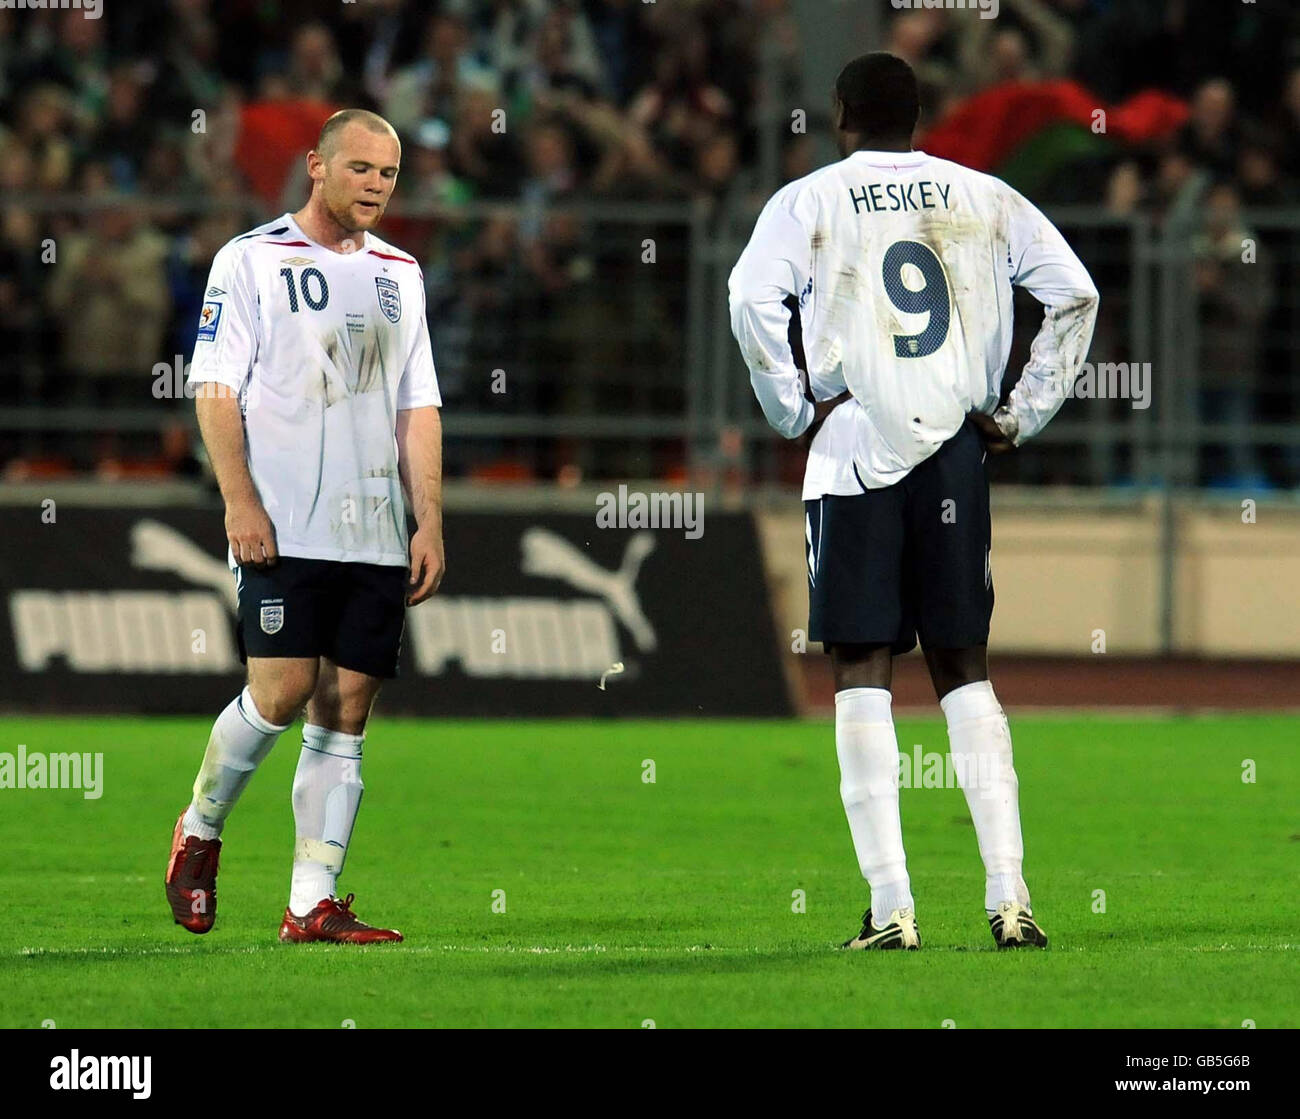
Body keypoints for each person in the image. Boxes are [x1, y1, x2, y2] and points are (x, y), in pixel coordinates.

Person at [729, 53, 1098, 950]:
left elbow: (749, 294)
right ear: (920, 114)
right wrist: (1023, 410)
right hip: (955, 449)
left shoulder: (808, 200)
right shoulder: (984, 195)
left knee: (861, 670)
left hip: (856, 439)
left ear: (840, 112)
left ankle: (892, 905)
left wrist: (790, 409)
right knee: (965, 667)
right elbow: (1074, 292)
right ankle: (1010, 898)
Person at [166, 109, 445, 943]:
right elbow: (213, 385)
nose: (375, 185)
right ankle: (201, 827)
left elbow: (416, 404)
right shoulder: (252, 259)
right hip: (283, 521)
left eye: (389, 174)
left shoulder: (402, 271)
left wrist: (426, 517)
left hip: (375, 529)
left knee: (346, 707)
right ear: (316, 166)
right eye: (360, 168)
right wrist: (238, 499)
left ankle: (310, 903)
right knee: (283, 690)